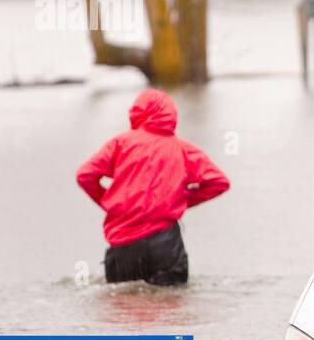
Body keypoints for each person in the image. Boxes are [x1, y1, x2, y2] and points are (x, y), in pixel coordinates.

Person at [76, 89, 230, 285]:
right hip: (165, 245)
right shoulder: (183, 148)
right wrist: (178, 200)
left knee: (121, 307)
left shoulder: (120, 144)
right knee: (171, 307)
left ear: (137, 113)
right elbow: (219, 182)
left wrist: (111, 203)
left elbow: (85, 175)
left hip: (124, 247)